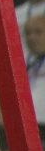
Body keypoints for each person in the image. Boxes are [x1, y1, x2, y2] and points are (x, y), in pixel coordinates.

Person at [22, 14, 45, 144]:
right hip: (27, 127)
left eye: (38, 32)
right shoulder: (23, 61)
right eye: (28, 33)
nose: (32, 37)